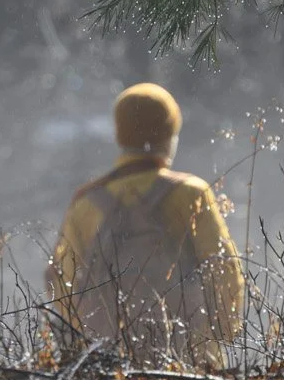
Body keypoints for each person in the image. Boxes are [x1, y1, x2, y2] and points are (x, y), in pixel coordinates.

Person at [47, 82, 245, 365]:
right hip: (188, 358)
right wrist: (222, 334)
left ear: (119, 134)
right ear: (169, 135)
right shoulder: (190, 193)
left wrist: (83, 343)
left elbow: (61, 281)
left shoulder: (86, 203)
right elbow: (223, 267)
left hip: (108, 364)